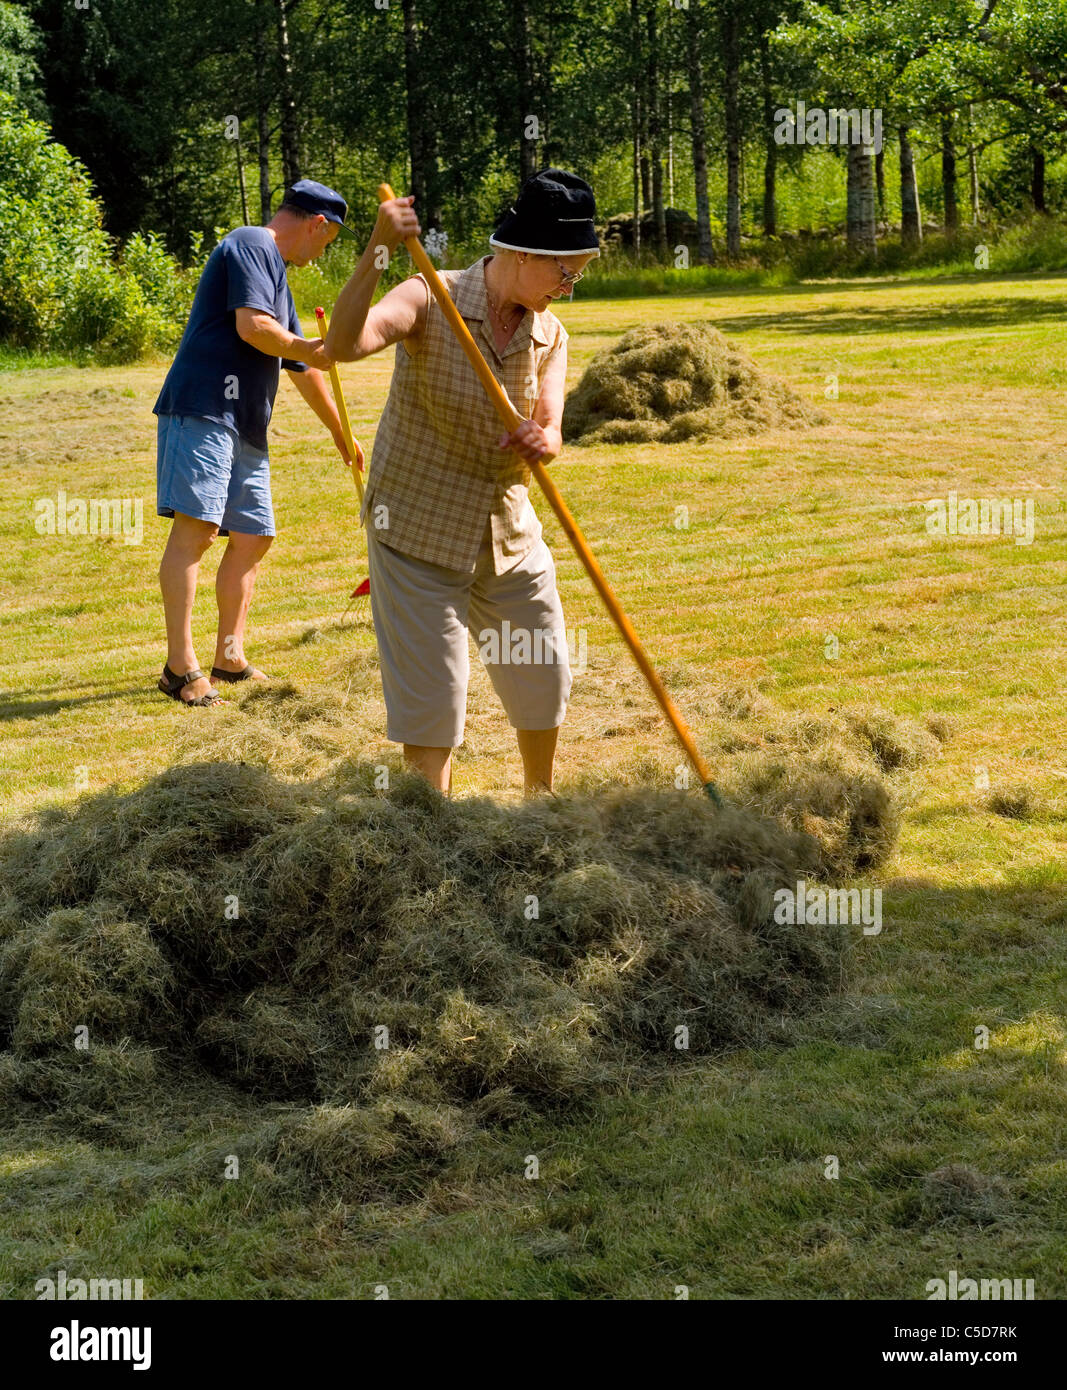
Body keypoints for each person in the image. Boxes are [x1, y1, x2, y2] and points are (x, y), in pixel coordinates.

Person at [325, 168, 598, 794]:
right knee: (436, 703)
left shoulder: (549, 333)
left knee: (543, 671)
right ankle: (433, 834)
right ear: (525, 252)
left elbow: (551, 428)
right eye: (565, 271)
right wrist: (377, 249)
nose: (570, 288)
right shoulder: (430, 295)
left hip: (507, 532)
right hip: (417, 530)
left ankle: (541, 800)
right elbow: (343, 344)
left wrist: (542, 441)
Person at [153, 179, 364, 706]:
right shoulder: (251, 243)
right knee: (196, 532)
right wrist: (304, 346)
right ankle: (179, 669)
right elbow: (254, 328)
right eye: (328, 242)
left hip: (245, 422)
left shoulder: (278, 277)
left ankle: (229, 658)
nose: (319, 256)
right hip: (203, 407)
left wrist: (343, 434)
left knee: (253, 535)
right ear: (318, 224)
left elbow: (299, 364)